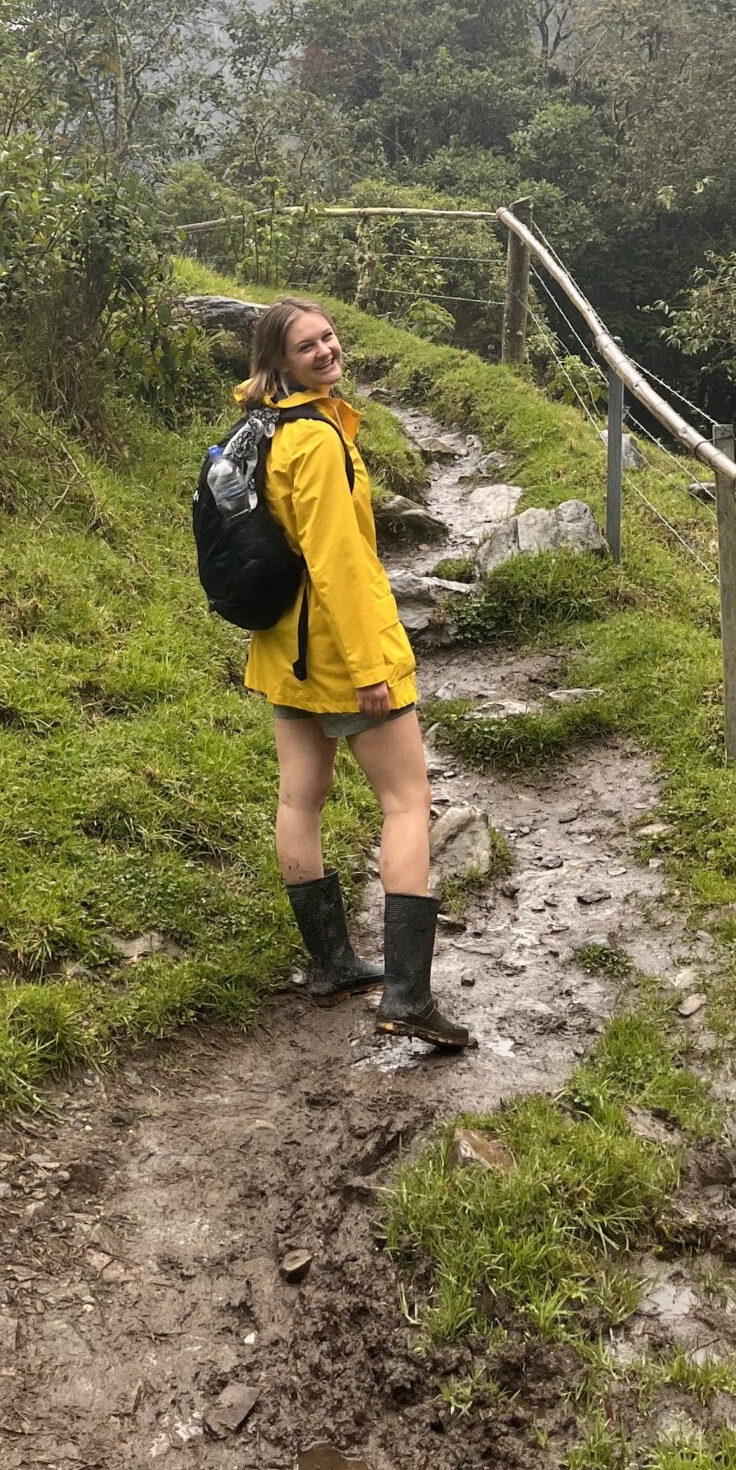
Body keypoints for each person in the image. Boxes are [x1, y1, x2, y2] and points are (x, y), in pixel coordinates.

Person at [236, 293, 471, 1051]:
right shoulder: (315, 441)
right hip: (340, 653)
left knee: (299, 798)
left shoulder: (260, 427)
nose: (328, 352)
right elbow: (338, 560)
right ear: (279, 363)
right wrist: (372, 665)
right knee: (408, 803)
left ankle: (331, 963)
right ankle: (406, 996)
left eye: (330, 337)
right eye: (309, 346)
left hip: (284, 648)